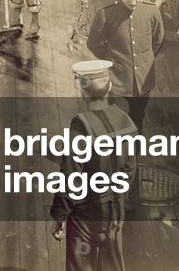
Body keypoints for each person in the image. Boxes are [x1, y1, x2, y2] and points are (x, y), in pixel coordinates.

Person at [50, 59, 137, 271]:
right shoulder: (126, 121)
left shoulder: (81, 127)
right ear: (109, 88)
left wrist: (59, 216)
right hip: (115, 214)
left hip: (86, 217)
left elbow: (70, 178)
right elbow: (130, 169)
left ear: (82, 91)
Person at [87, 0, 165, 130]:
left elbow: (158, 41)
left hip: (143, 80)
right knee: (115, 121)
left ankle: (134, 151)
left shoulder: (152, 11)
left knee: (138, 118)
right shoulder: (106, 15)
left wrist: (145, 60)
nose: (134, 2)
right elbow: (93, 43)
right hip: (118, 82)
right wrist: (112, 60)